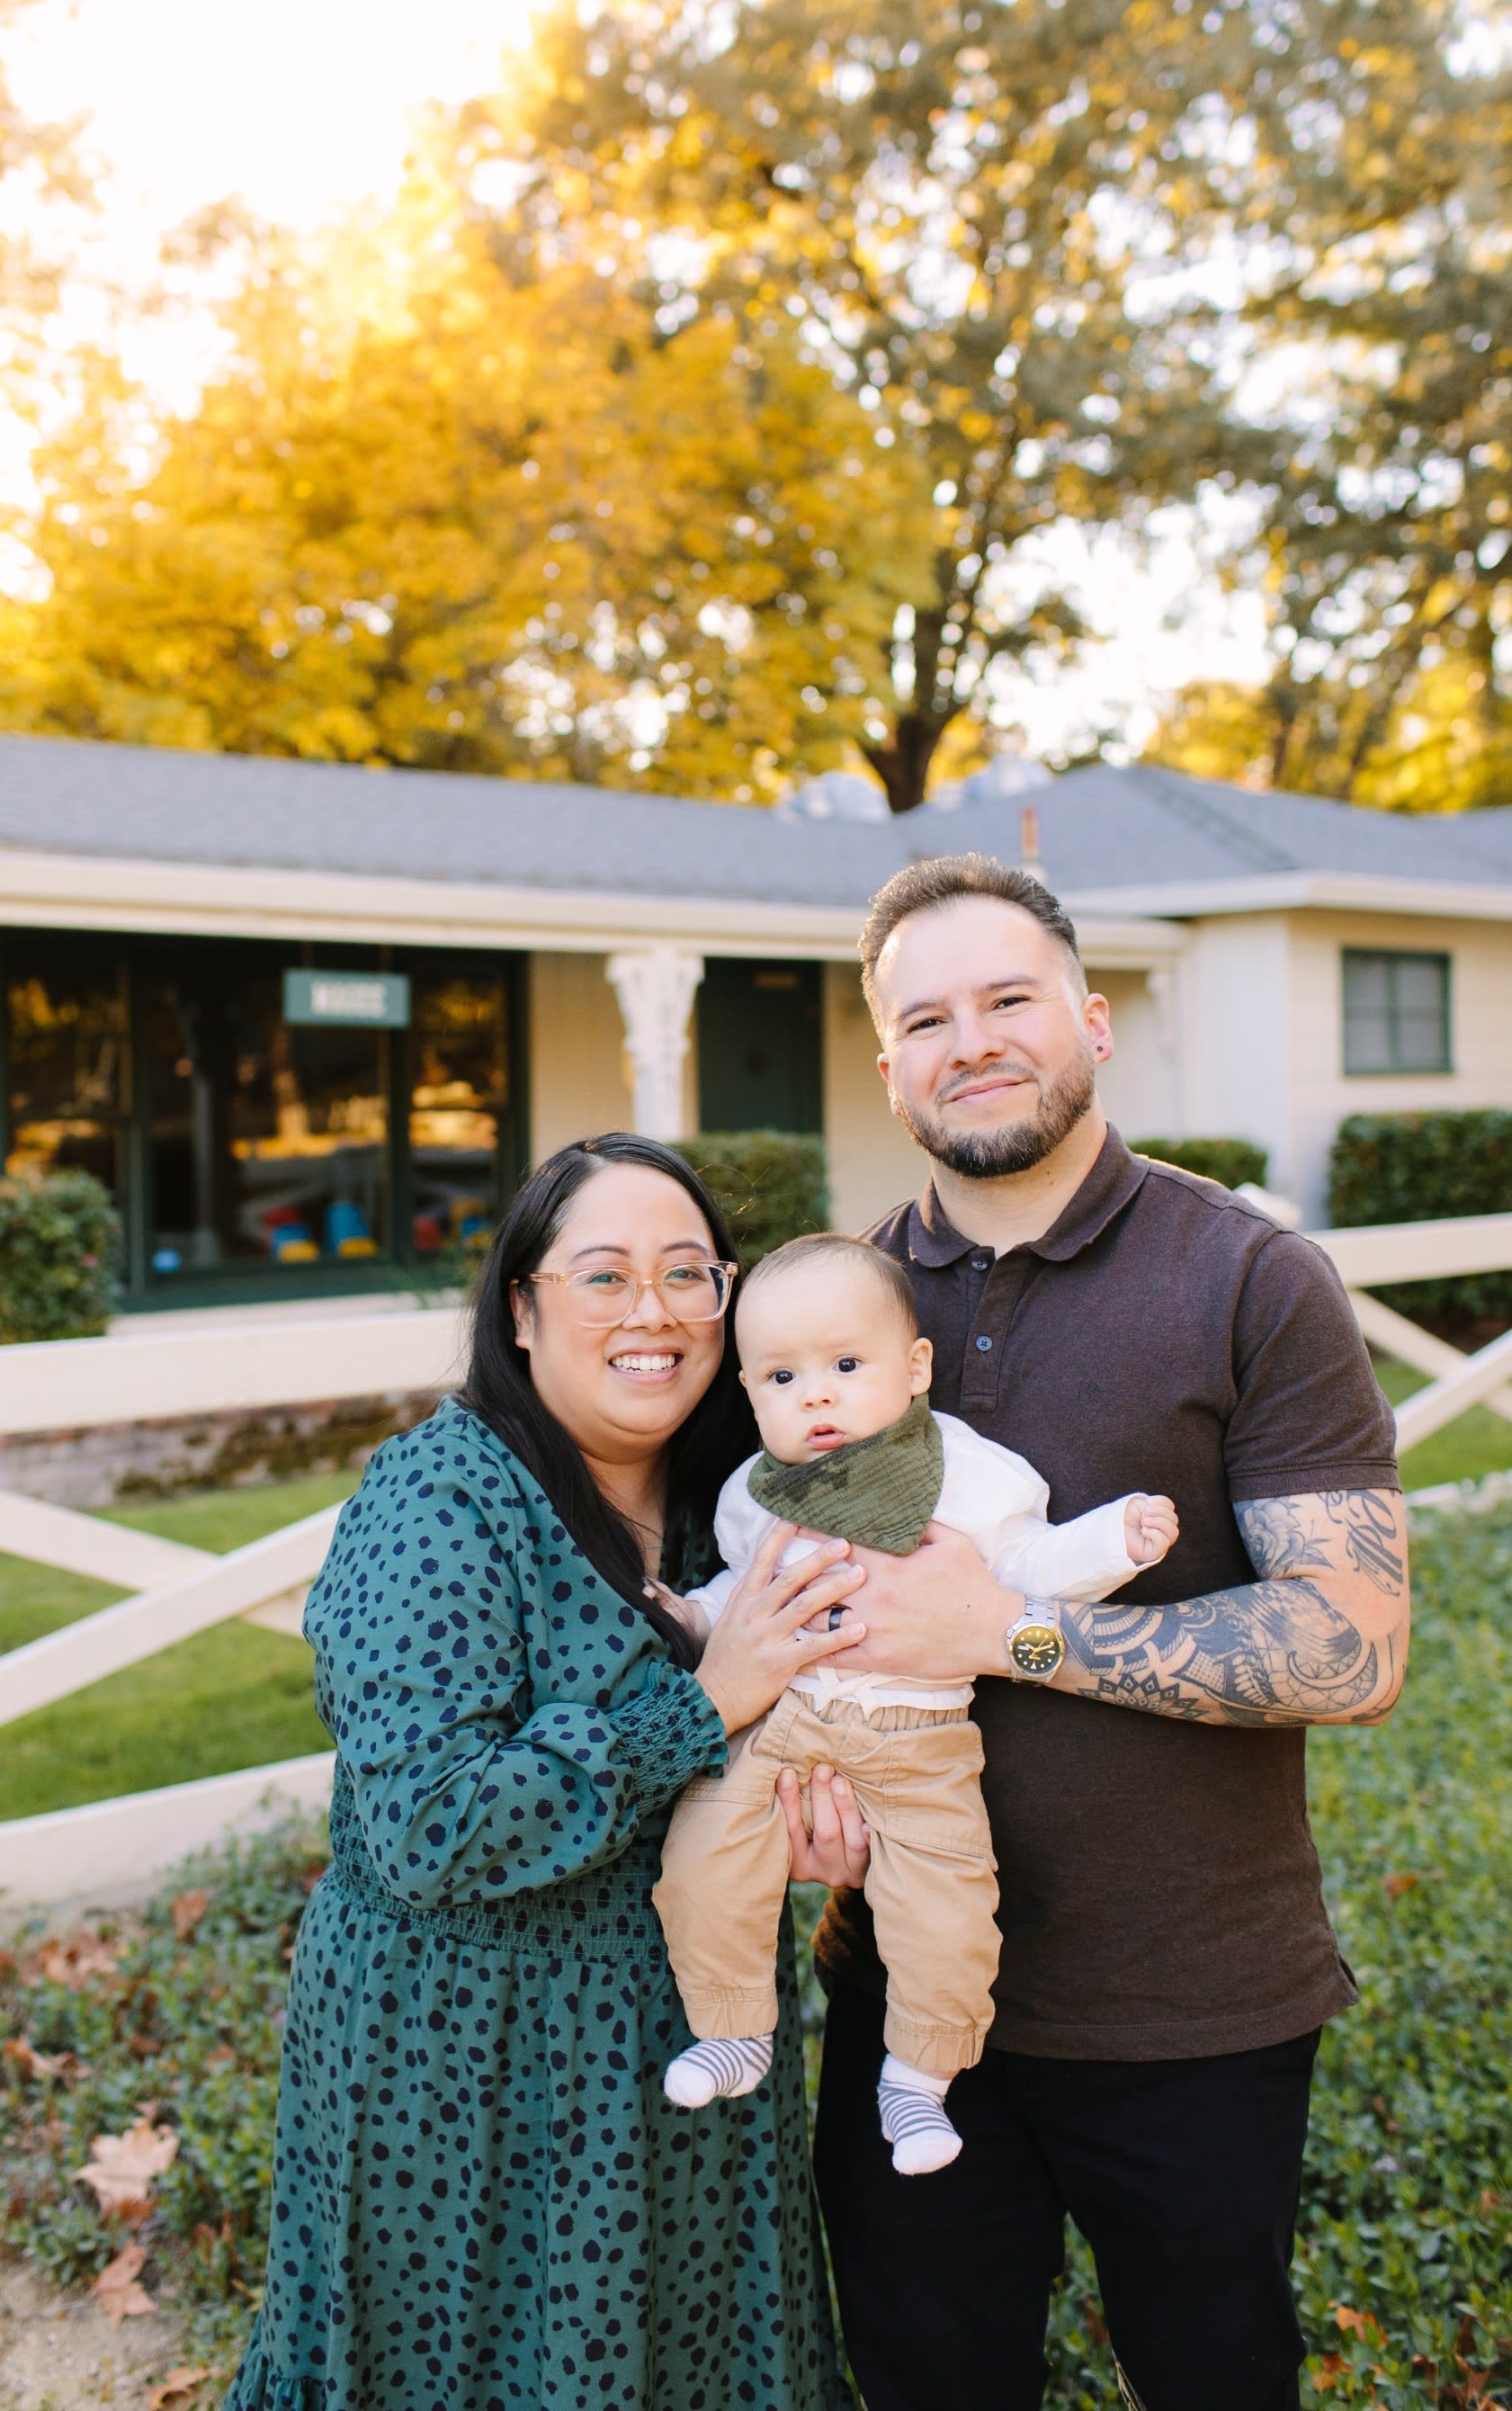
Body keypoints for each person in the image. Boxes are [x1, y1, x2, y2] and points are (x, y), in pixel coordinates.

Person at [804, 853, 1409, 2411]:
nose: (973, 1037)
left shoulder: (1249, 1275)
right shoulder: (848, 1298)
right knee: (930, 2379)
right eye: (925, 1015)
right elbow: (787, 1584)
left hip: (1191, 2004)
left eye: (1009, 996)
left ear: (1092, 1015)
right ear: (890, 1067)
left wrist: (1017, 1628)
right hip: (908, 2004)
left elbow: (1354, 1643)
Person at [223, 1133, 855, 2411]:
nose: (656, 1310)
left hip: (691, 2064)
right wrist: (700, 1704)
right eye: (605, 1273)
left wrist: (830, 1836)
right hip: (469, 2077)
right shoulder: (443, 1496)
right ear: (522, 1306)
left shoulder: (735, 1506)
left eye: (690, 1273)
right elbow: (427, 1821)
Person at [647, 1231, 1177, 2175]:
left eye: (847, 1365)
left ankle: (919, 2077)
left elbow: (1028, 1568)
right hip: (790, 1721)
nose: (814, 1393)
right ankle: (733, 2027)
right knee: (704, 1850)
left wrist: (1113, 1542)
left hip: (920, 1735)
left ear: (915, 1365)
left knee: (948, 1905)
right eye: (780, 1376)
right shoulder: (757, 1493)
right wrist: (697, 1618)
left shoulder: (966, 1473)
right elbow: (746, 1591)